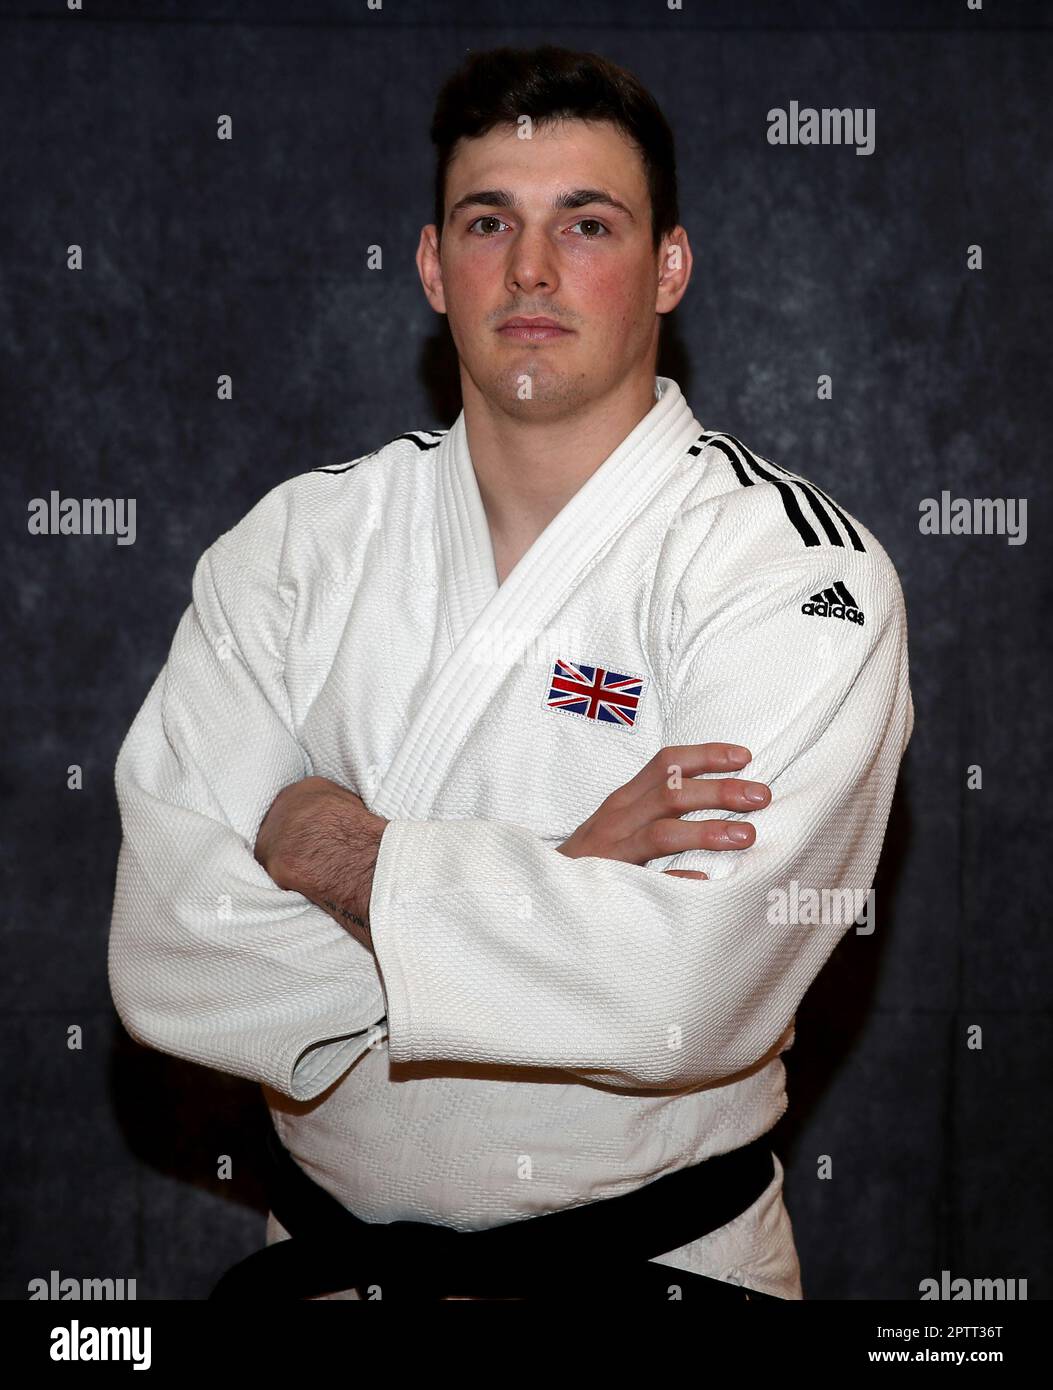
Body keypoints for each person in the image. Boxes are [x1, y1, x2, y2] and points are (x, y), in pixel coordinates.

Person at [108, 44, 913, 1302]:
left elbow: (683, 987)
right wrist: (573, 866)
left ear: (669, 267)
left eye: (586, 223)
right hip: (331, 1267)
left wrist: (327, 845)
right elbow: (170, 953)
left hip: (656, 1271)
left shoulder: (794, 570)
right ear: (433, 265)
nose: (531, 269)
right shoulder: (295, 548)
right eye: (490, 221)